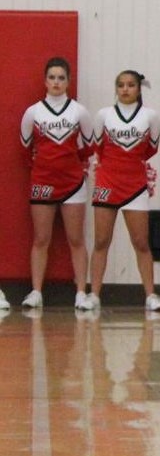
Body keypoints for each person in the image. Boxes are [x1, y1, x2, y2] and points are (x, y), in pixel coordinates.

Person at [20, 56, 93, 311]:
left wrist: (69, 166)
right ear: (45, 80)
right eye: (52, 77)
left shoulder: (79, 111)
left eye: (61, 78)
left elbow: (88, 146)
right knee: (41, 238)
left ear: (68, 81)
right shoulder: (33, 112)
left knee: (76, 239)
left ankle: (81, 293)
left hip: (73, 183)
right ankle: (36, 291)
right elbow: (26, 147)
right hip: (42, 182)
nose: (56, 82)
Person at [88, 70, 160, 312]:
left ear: (139, 88)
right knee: (101, 240)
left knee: (141, 242)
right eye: (120, 85)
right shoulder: (103, 115)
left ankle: (151, 296)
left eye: (130, 85)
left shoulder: (150, 116)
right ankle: (94, 295)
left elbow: (151, 148)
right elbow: (97, 146)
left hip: (135, 185)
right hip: (107, 182)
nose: (125, 89)